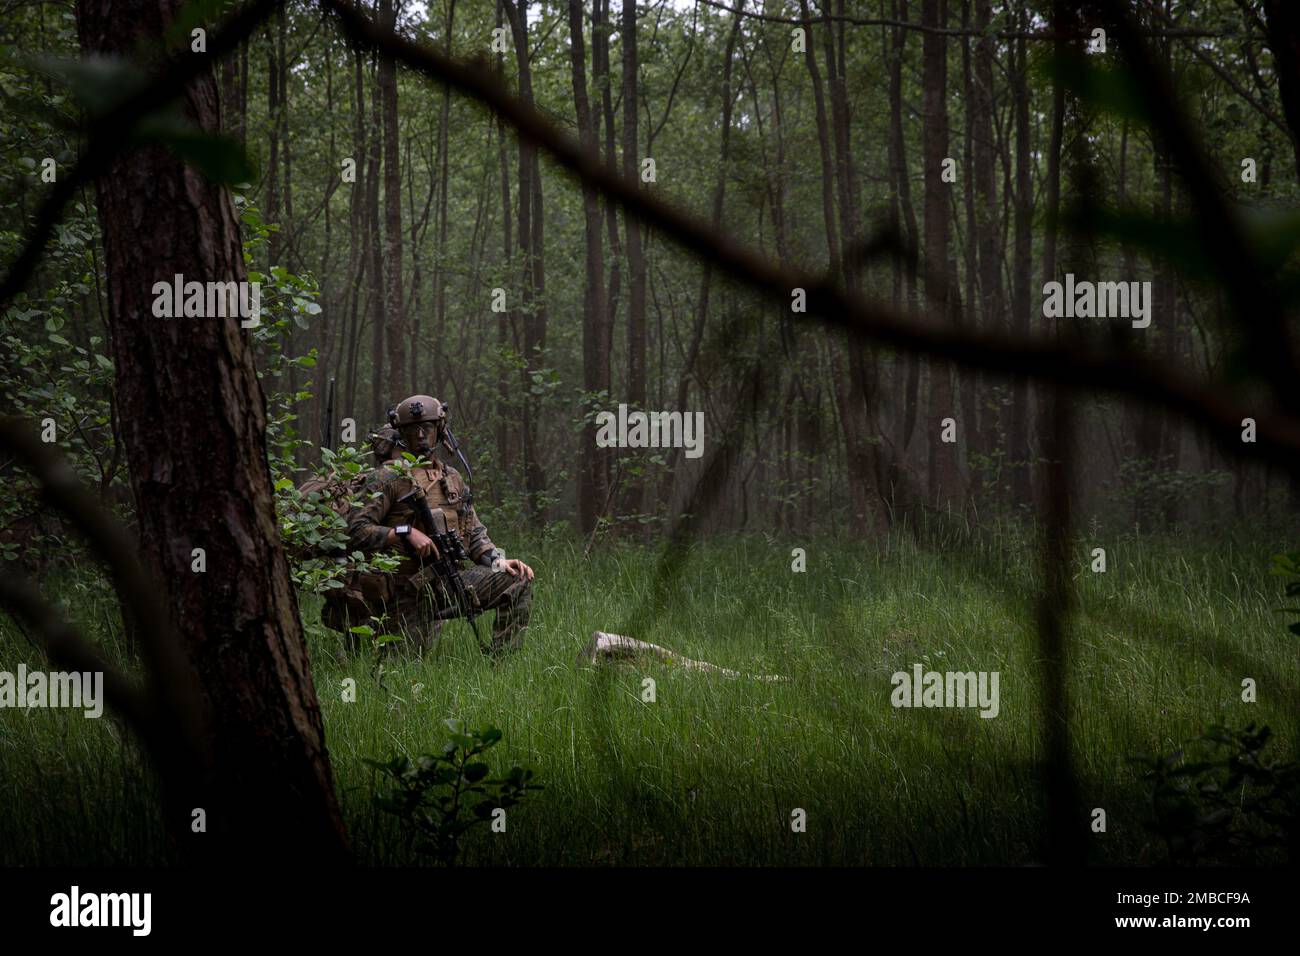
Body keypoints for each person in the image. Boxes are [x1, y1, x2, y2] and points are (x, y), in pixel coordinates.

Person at [322, 394, 534, 656]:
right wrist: (403, 532)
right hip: (403, 594)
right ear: (403, 433)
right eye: (413, 429)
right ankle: (360, 642)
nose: (421, 434)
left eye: (428, 428)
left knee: (518, 580)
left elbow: (476, 535)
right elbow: (354, 531)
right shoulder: (388, 477)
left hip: (447, 583)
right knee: (403, 669)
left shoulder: (452, 479)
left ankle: (502, 665)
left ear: (439, 431)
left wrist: (499, 561)